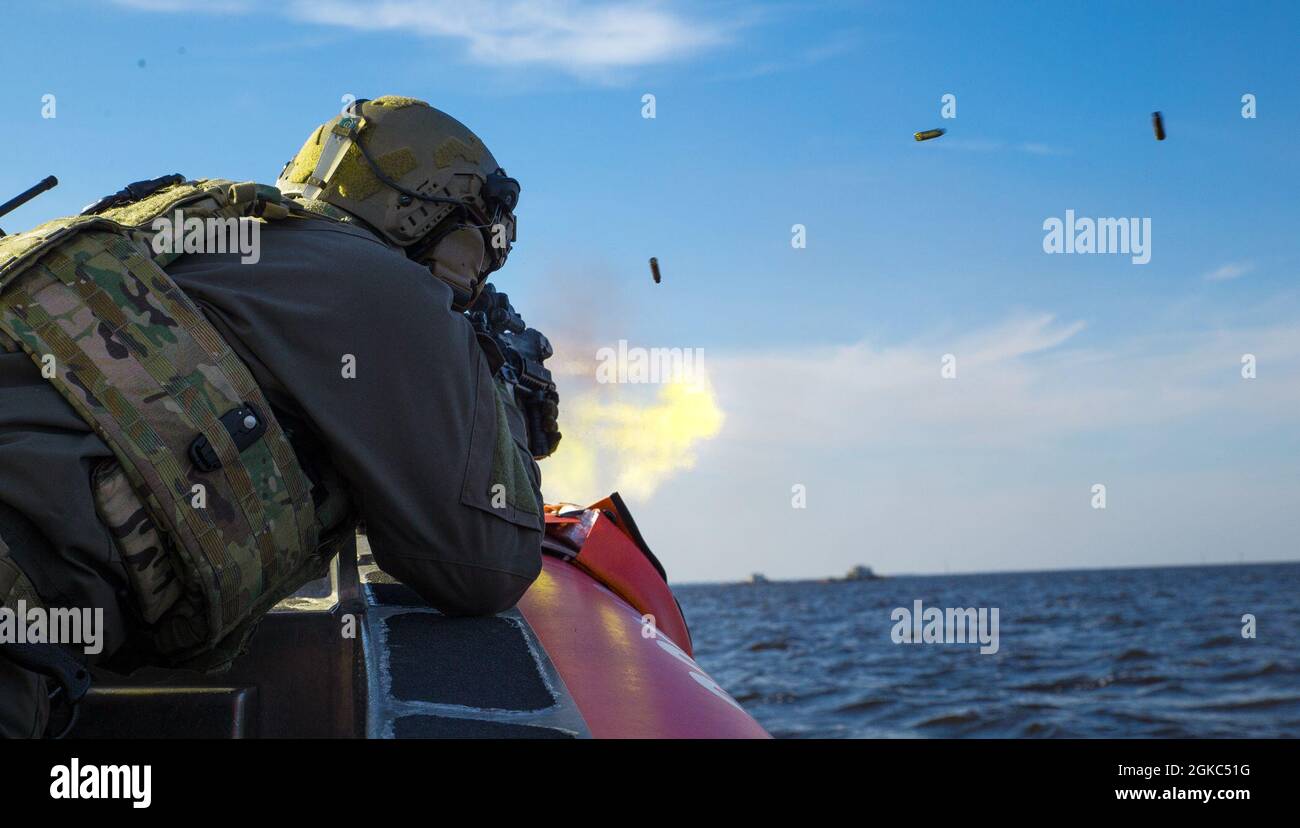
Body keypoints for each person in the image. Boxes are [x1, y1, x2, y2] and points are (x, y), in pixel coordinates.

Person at [0, 95, 559, 738]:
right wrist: (501, 394)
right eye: (484, 239)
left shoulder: (204, 229)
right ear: (431, 211)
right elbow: (483, 564)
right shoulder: (380, 285)